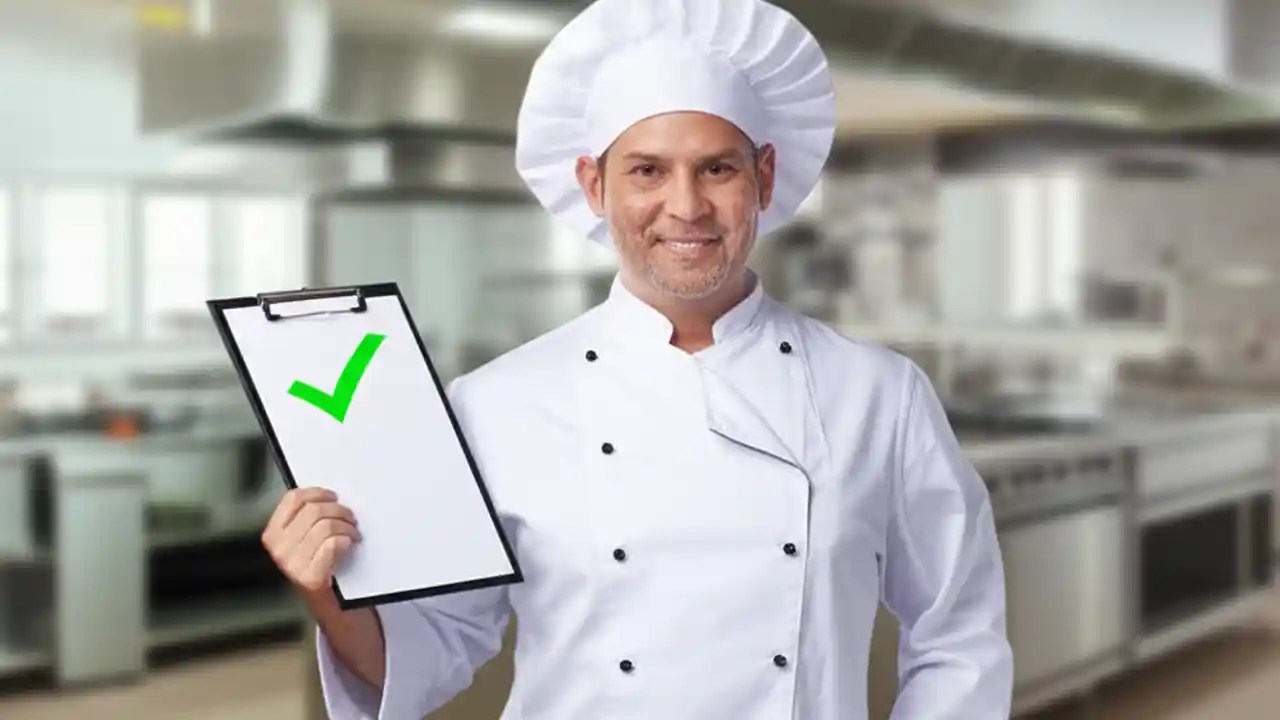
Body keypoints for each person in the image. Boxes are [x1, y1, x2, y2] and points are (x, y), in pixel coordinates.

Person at [260, 0, 1014, 717]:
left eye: (717, 168)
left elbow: (960, 634)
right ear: (594, 185)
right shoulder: (494, 403)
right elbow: (430, 653)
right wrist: (326, 591)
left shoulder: (878, 394)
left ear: (765, 177)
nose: (685, 207)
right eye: (647, 171)